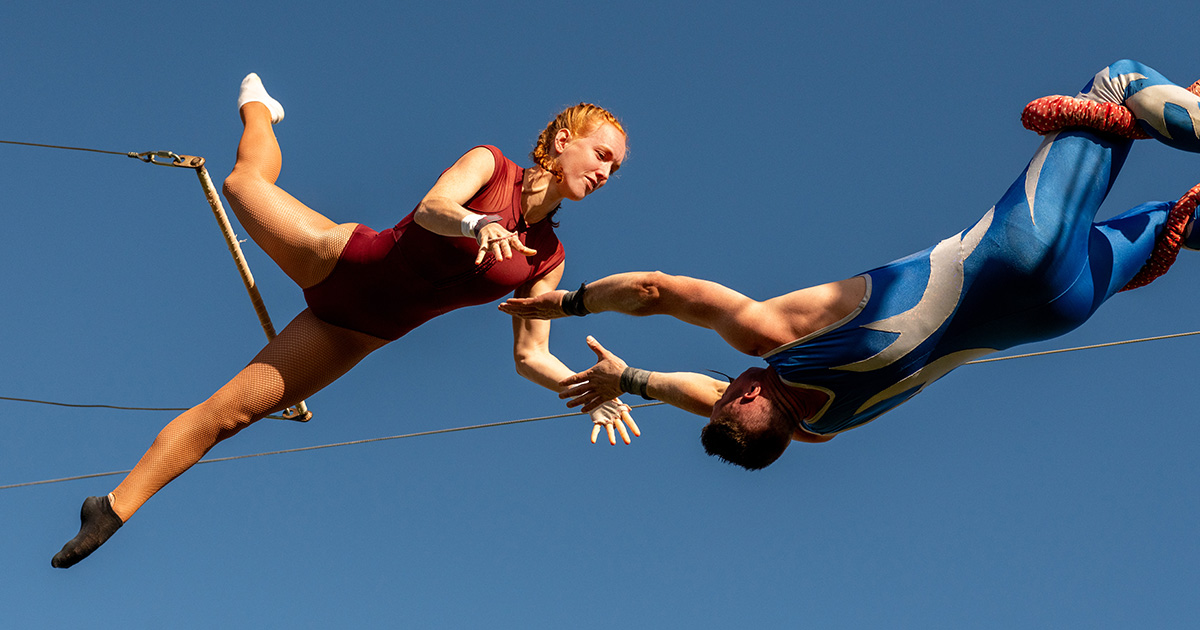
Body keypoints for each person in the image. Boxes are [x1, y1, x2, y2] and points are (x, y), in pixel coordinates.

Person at [51, 74, 637, 568]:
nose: (607, 172)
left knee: (231, 414)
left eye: (617, 167)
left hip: (354, 332)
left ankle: (110, 510)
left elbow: (530, 354)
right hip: (343, 259)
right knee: (241, 184)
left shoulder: (549, 258)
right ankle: (258, 108)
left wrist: (590, 388)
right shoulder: (492, 165)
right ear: (563, 142)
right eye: (602, 154)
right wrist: (476, 225)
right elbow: (433, 209)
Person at [501, 60, 1200, 470]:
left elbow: (711, 401)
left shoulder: (823, 426)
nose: (727, 385)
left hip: (1054, 312)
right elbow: (659, 291)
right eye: (731, 390)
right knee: (1119, 83)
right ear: (747, 394)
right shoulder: (778, 342)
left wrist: (634, 379)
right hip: (1020, 252)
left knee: (1180, 224)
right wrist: (570, 304)